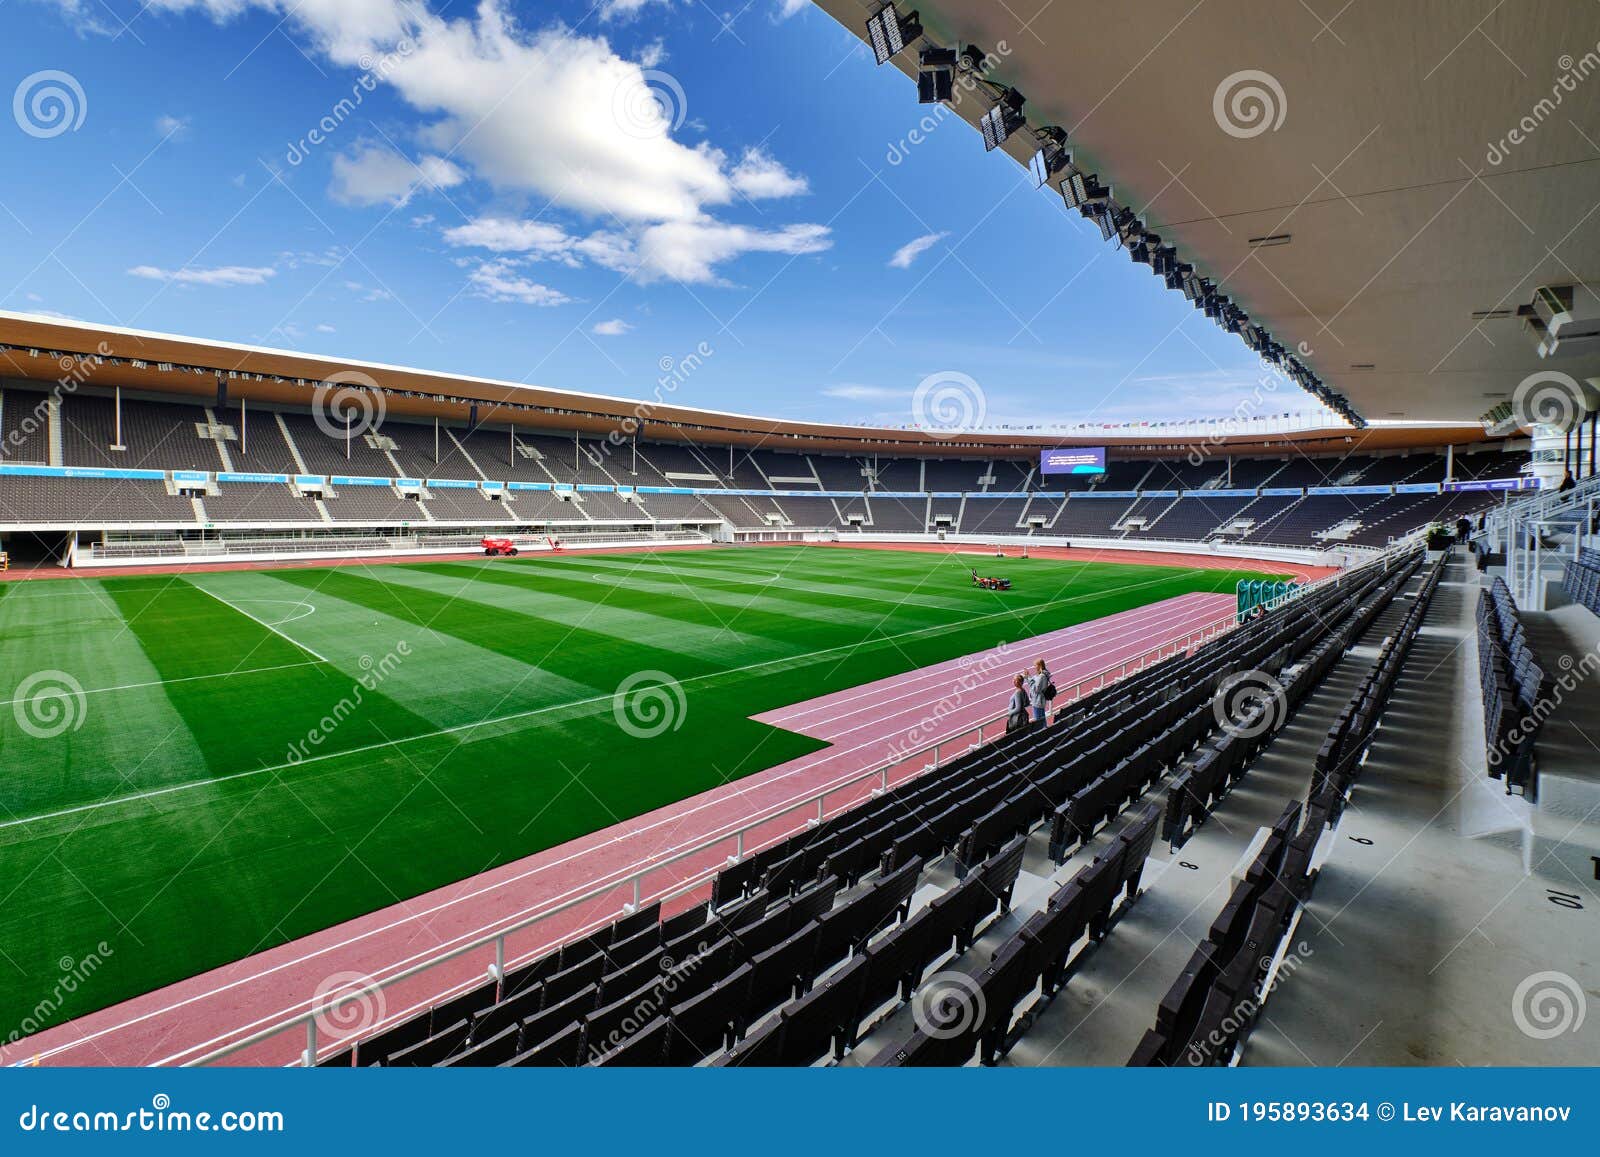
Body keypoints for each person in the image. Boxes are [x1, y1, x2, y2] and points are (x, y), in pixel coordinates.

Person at [1029, 658, 1054, 725]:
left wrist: (1028, 677)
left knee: (1038, 721)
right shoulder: (1042, 674)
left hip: (1038, 701)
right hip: (1040, 700)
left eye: (1035, 665)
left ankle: (1042, 733)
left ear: (1039, 666)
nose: (1034, 667)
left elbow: (1036, 689)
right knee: (1042, 719)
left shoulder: (1042, 676)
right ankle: (1045, 731)